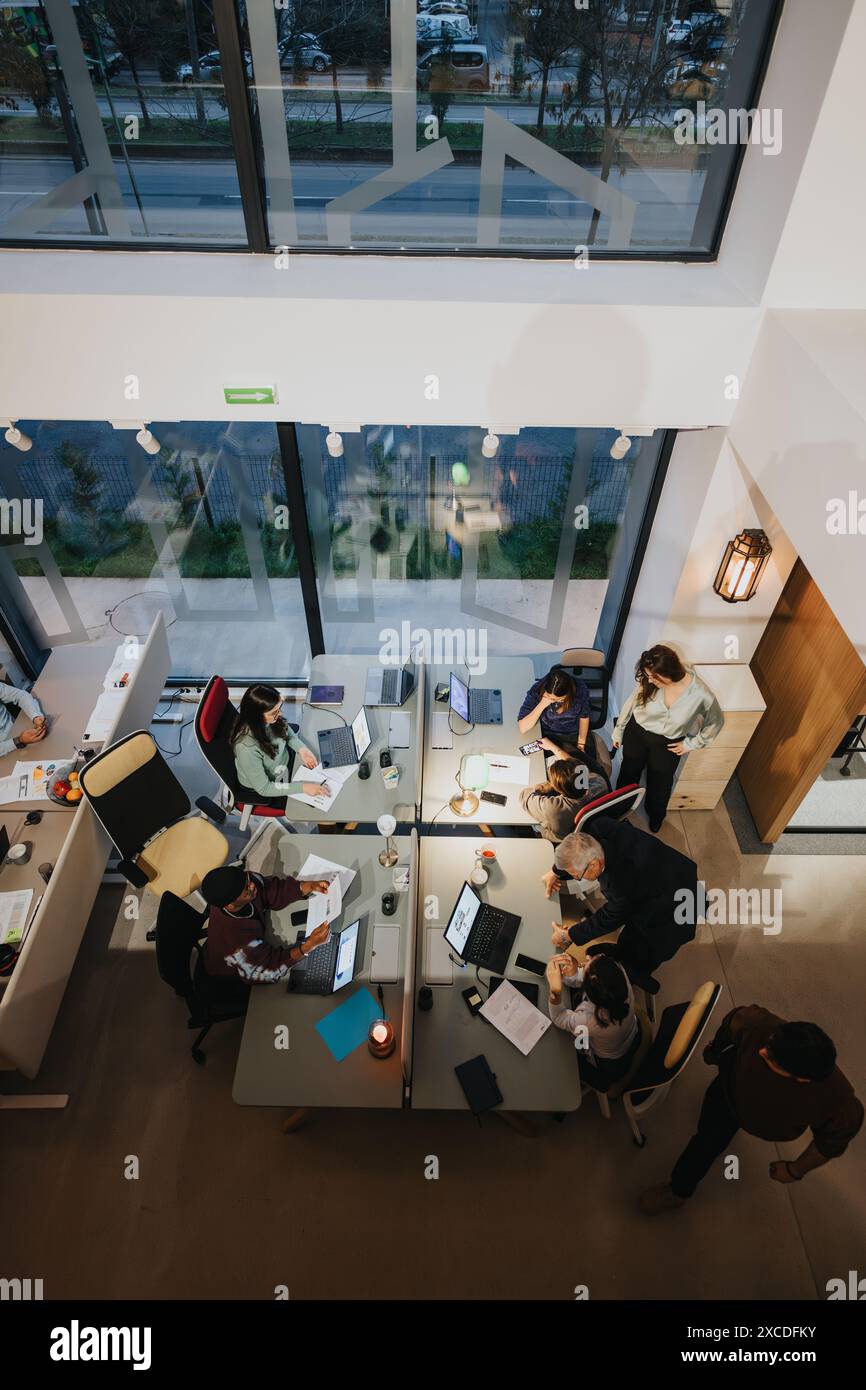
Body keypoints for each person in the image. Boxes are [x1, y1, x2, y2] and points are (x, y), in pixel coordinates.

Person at [639, 1009, 864, 1214]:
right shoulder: (754, 1023)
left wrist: (794, 1170)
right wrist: (714, 1053)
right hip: (727, 1097)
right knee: (704, 1144)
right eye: (772, 1042)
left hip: (770, 1123)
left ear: (803, 1078)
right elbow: (729, 1029)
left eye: (773, 1058)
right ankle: (678, 1191)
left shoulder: (839, 1102)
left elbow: (831, 1143)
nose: (763, 1050)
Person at [543, 818, 698, 976]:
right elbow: (574, 848)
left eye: (577, 876)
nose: (576, 878)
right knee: (630, 936)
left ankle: (629, 973)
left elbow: (610, 917)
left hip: (674, 910)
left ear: (594, 864)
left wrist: (568, 935)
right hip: (668, 870)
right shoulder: (596, 829)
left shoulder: (621, 883)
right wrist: (556, 871)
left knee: (646, 951)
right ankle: (621, 951)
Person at [612, 645, 723, 833]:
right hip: (637, 731)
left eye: (654, 677)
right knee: (629, 771)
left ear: (669, 672)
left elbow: (716, 723)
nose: (649, 680)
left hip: (668, 743)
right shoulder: (650, 680)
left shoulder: (701, 695)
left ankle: (655, 815)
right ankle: (619, 806)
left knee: (660, 783)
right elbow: (632, 701)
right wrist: (619, 730)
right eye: (647, 675)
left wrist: (690, 744)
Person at [201, 864, 332, 984]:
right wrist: (308, 946)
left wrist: (307, 886)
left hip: (255, 948)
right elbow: (269, 971)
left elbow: (270, 890)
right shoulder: (236, 941)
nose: (252, 885)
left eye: (247, 879)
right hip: (230, 976)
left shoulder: (247, 883)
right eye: (246, 889)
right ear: (230, 905)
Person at [546, 948, 640, 1091]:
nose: (588, 957)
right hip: (631, 1032)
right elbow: (594, 983)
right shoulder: (617, 973)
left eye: (586, 966)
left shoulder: (590, 1020)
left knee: (560, 1055)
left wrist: (555, 992)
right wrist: (572, 974)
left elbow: (559, 1017)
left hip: (609, 1063)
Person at [231, 684, 327, 805]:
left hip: (284, 765)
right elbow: (264, 788)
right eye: (274, 712)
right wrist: (303, 788)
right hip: (270, 786)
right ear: (257, 716)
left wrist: (301, 749)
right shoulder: (246, 748)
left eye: (279, 708)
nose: (279, 714)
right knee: (319, 808)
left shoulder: (270, 720)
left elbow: (286, 731)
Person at [519, 744, 610, 843]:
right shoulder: (599, 782)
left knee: (531, 822)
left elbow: (524, 796)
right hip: (587, 825)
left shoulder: (553, 807)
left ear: (559, 789)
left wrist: (547, 786)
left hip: (560, 837)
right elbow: (582, 771)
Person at [518, 667, 592, 755]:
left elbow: (584, 717)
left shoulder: (580, 690)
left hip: (572, 735)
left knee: (577, 763)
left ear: (567, 694)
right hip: (546, 733)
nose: (552, 701)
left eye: (557, 699)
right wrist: (542, 704)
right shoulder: (537, 690)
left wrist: (581, 745)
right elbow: (523, 728)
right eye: (549, 697)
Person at [0, 678, 47, 757]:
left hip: (21, 730)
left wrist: (35, 716)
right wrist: (19, 740)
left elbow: (20, 695)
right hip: (6, 753)